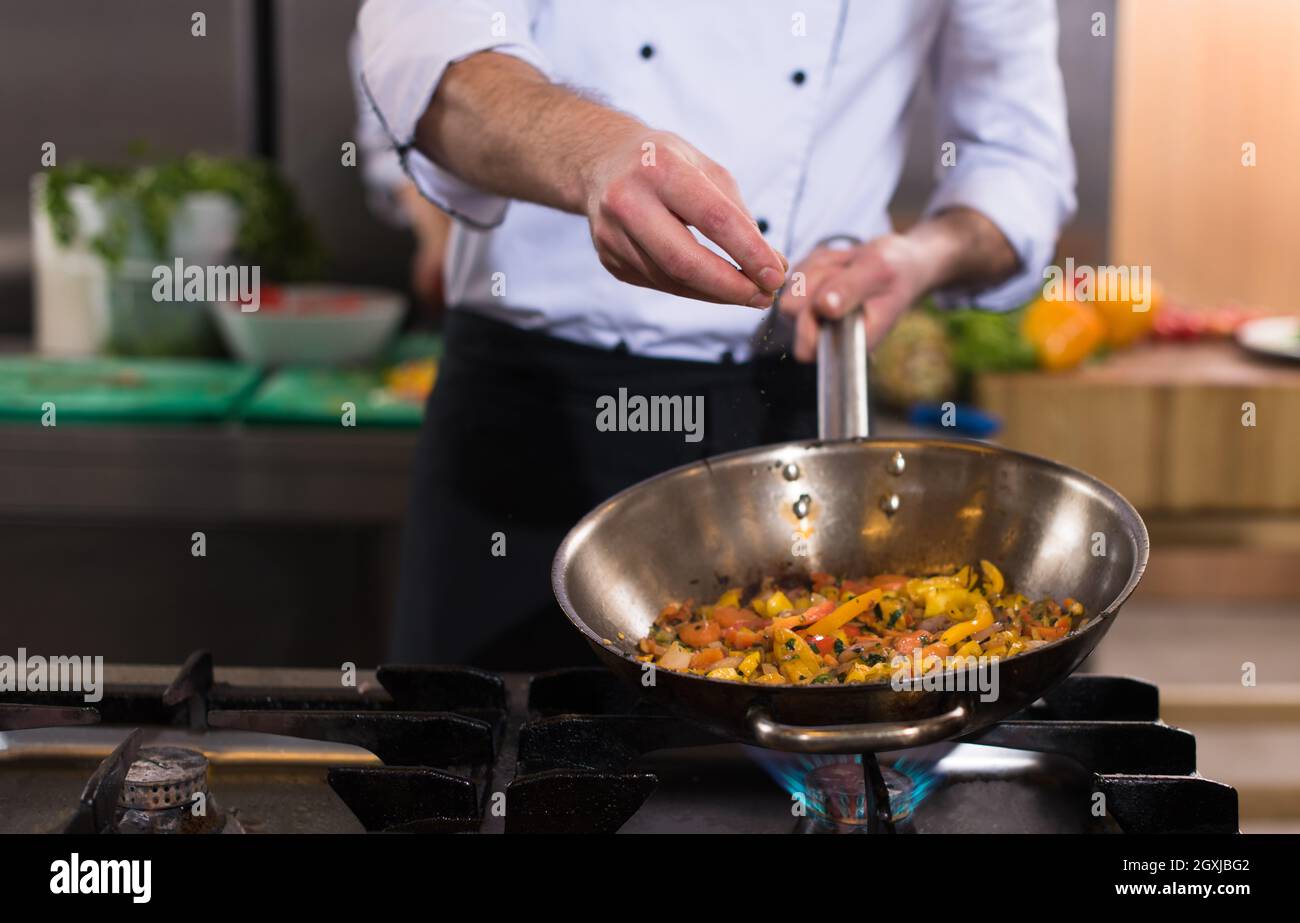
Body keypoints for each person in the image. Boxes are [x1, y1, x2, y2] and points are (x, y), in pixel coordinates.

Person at [356, 0, 1076, 668]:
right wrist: (596, 152)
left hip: (782, 436)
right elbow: (422, 49)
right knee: (461, 769)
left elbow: (1019, 162)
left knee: (762, 791)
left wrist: (922, 255)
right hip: (523, 425)